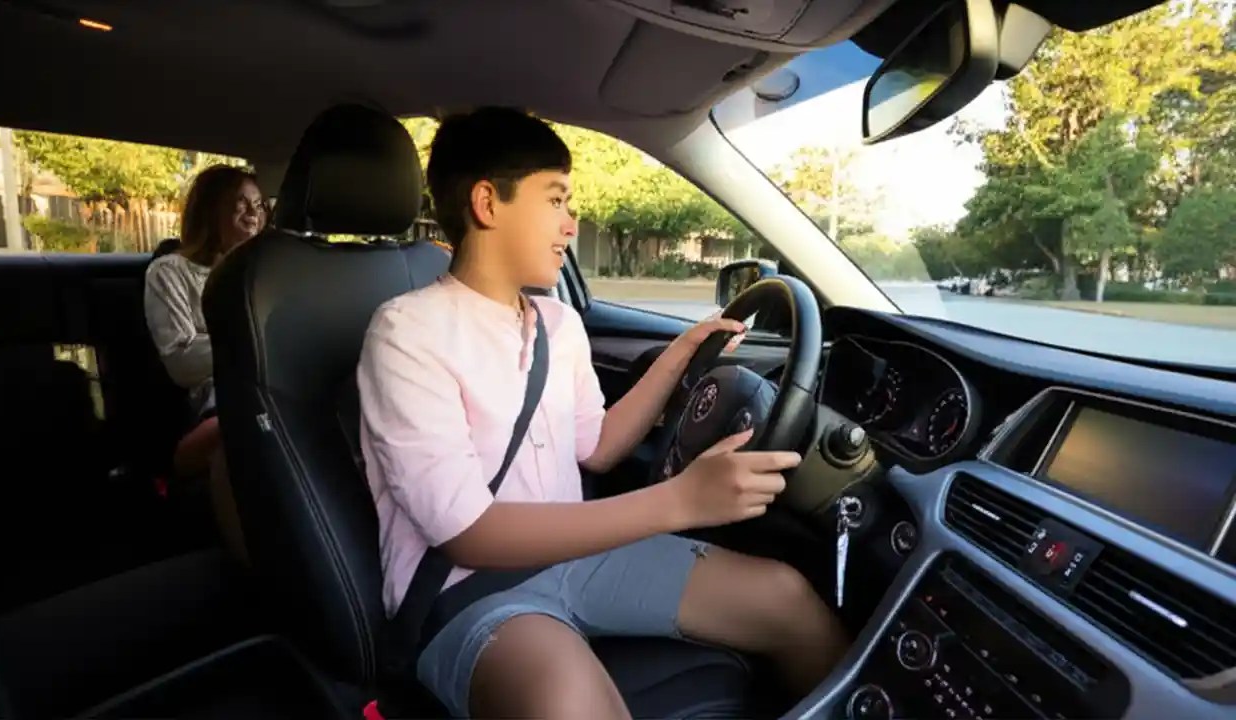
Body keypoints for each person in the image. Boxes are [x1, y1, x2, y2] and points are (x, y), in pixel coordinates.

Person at [358, 108, 848, 719]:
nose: (572, 222)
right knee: (567, 705)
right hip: (470, 590)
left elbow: (597, 446)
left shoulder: (557, 324)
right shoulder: (407, 332)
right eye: (556, 199)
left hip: (580, 555)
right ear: (487, 203)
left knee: (788, 599)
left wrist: (677, 358)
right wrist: (681, 502)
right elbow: (469, 533)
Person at [145, 163, 266, 560]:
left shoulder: (271, 272)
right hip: (220, 400)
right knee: (242, 426)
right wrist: (259, 343)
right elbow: (181, 361)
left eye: (258, 204)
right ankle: (252, 568)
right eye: (239, 205)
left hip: (281, 389)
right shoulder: (171, 272)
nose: (252, 213)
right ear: (210, 212)